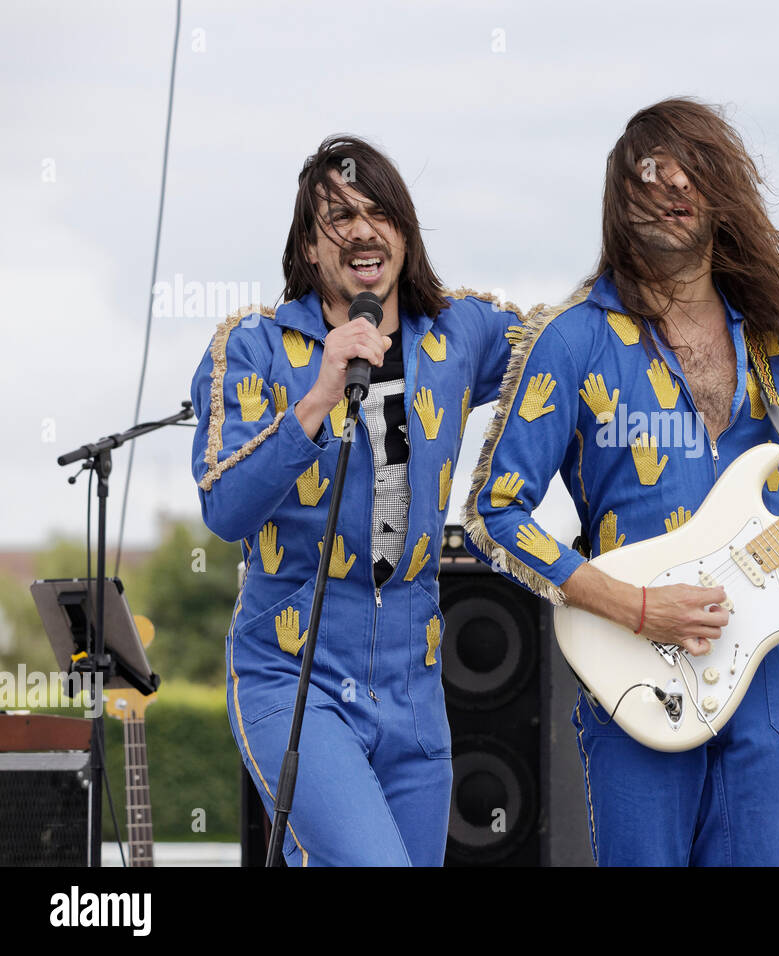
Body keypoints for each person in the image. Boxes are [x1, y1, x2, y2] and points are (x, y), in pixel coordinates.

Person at [463, 98, 779, 866]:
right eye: (646, 179)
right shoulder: (573, 339)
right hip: (635, 675)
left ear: (720, 193)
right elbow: (496, 513)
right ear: (618, 203)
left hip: (761, 684)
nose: (668, 191)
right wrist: (636, 605)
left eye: (686, 175)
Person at [190, 135, 520, 865]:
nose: (363, 230)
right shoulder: (253, 346)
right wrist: (318, 397)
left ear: (404, 232)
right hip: (294, 676)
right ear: (309, 247)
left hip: (415, 689)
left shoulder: (462, 331)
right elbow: (224, 509)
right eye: (339, 216)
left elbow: (570, 351)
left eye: (380, 212)